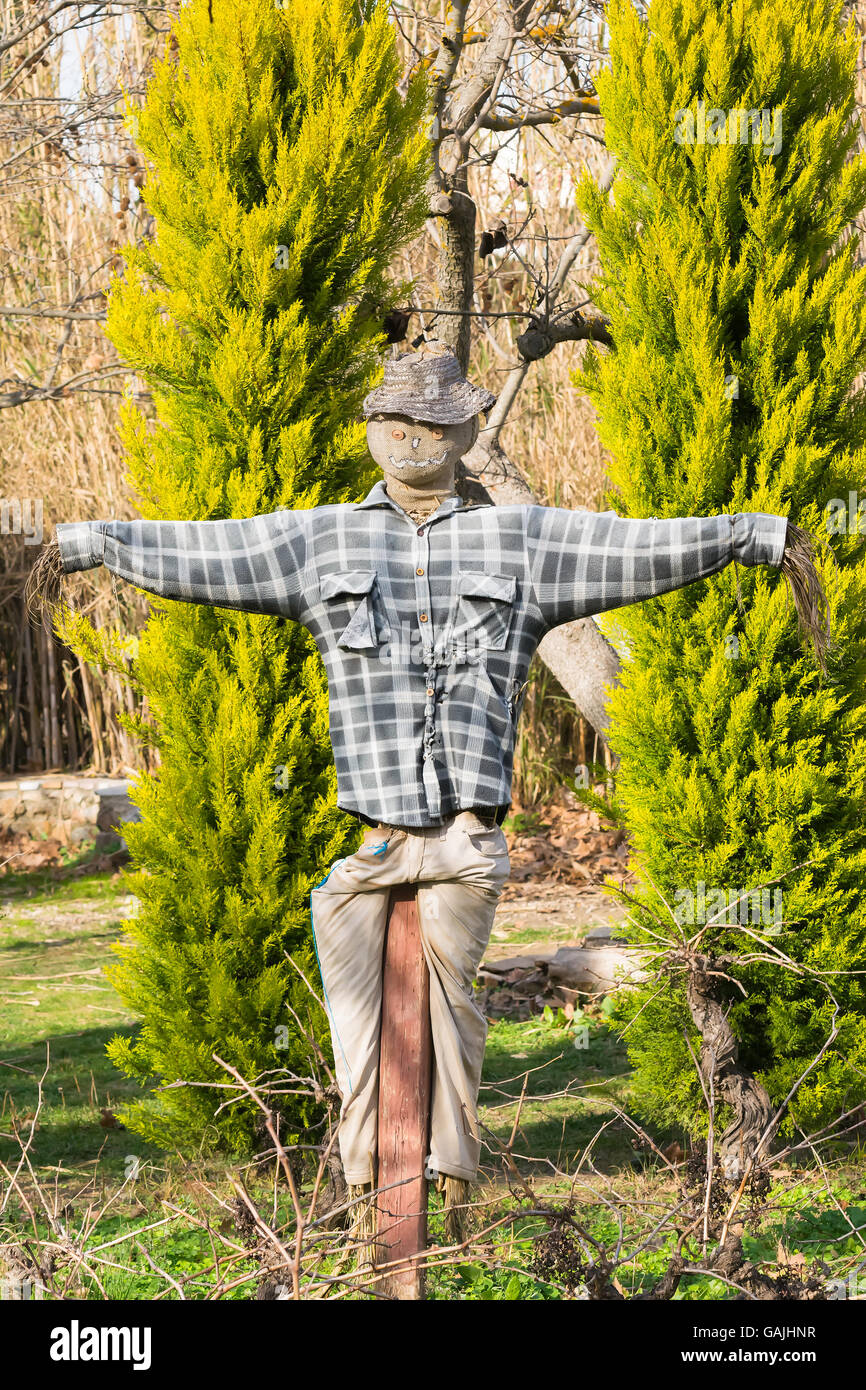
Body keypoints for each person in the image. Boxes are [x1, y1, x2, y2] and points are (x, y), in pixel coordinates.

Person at [31, 339, 829, 1242]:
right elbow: (210, 551)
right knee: (353, 1024)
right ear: (373, 429)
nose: (415, 438)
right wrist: (92, 543)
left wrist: (753, 536)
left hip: (464, 839)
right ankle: (364, 1181)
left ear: (466, 430)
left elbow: (635, 546)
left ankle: (452, 1189)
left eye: (435, 423)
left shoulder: (521, 541)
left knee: (454, 1017)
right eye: (398, 421)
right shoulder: (317, 539)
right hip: (368, 845)